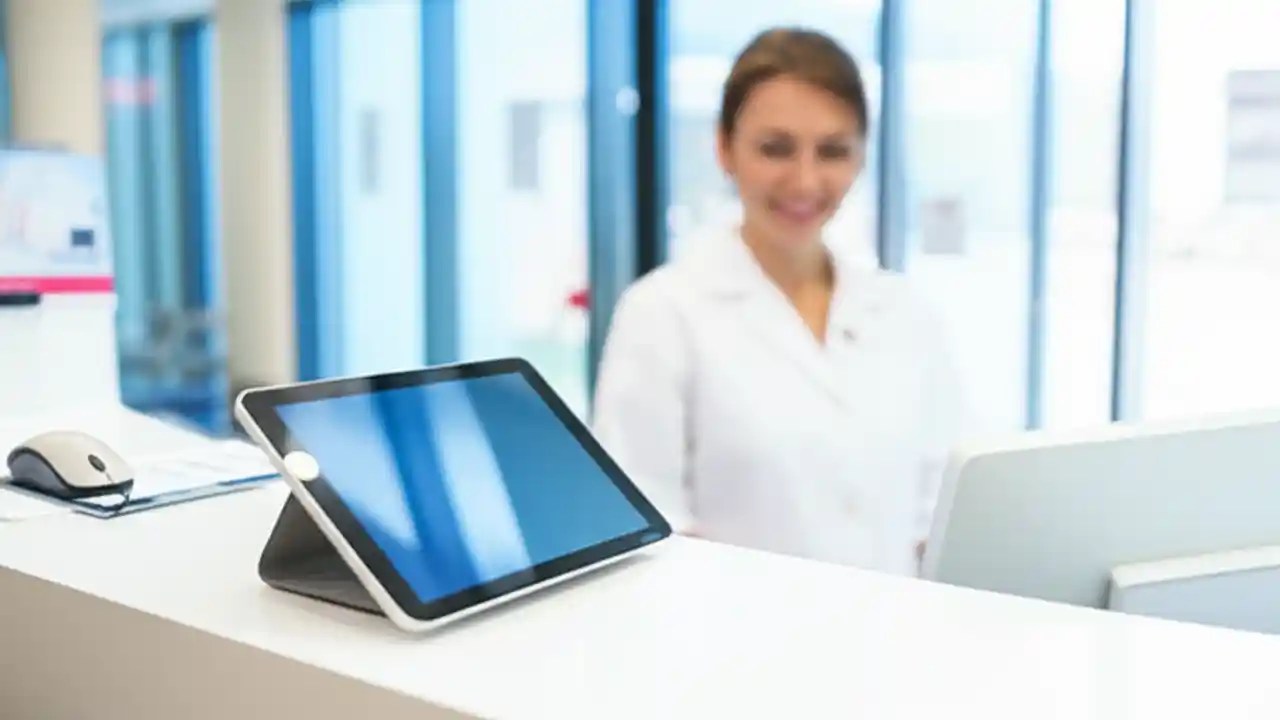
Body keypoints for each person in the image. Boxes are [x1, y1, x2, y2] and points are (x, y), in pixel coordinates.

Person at [591, 28, 968, 577]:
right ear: (724, 148)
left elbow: (943, 512)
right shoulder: (662, 313)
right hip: (734, 651)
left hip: (895, 643)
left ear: (862, 157)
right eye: (776, 148)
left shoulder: (904, 312)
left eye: (833, 151)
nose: (805, 180)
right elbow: (643, 537)